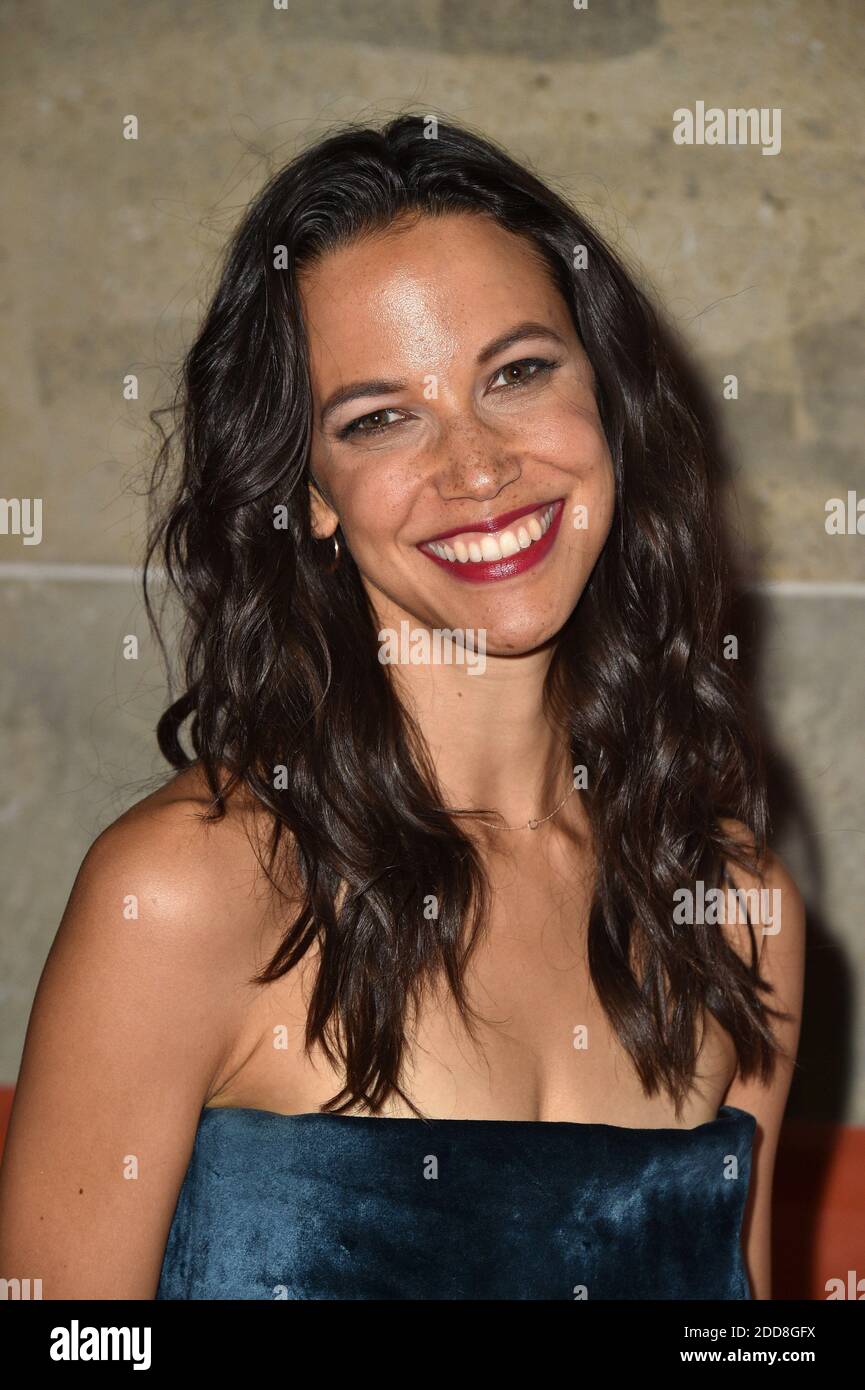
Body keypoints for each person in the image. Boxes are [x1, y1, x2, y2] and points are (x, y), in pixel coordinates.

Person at [0, 114, 805, 1300]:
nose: (475, 467)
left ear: (607, 402)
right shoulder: (180, 893)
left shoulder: (735, 911)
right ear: (310, 493)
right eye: (380, 417)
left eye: (519, 372)